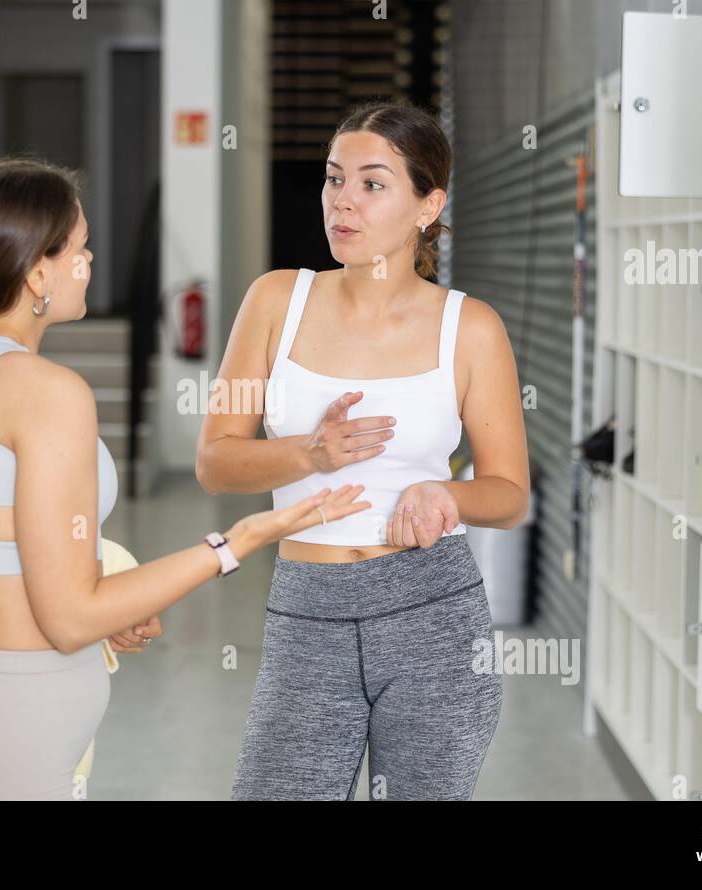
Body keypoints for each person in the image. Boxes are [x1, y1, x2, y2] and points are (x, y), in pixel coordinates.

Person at [0, 157, 371, 800]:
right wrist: (247, 536)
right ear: (37, 271)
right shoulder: (48, 392)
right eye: (80, 248)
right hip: (9, 736)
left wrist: (107, 597)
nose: (88, 263)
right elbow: (67, 620)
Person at [196, 101, 531, 800]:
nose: (343, 201)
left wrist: (444, 495)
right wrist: (308, 454)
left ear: (427, 204)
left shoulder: (469, 328)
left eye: (373, 184)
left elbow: (508, 494)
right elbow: (216, 461)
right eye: (333, 179)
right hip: (305, 607)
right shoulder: (274, 301)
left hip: (432, 611)